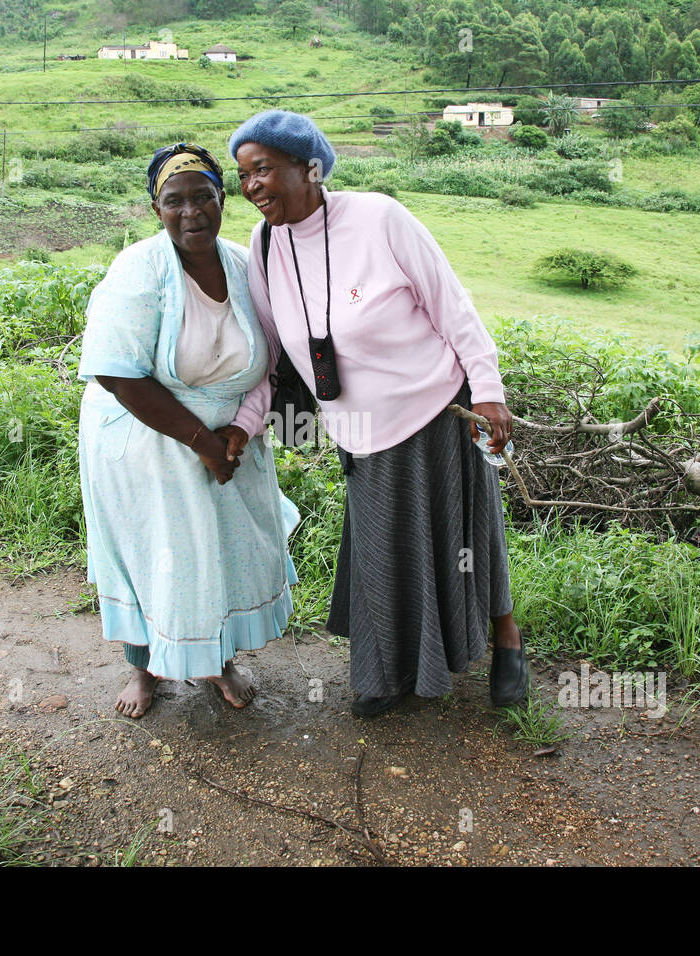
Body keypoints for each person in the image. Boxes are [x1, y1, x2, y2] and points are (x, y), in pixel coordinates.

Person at [218, 110, 527, 718]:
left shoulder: (380, 218)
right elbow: (273, 353)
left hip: (436, 410)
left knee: (468, 536)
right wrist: (246, 422)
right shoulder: (264, 244)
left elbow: (453, 306)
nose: (251, 186)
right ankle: (388, 671)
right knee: (383, 547)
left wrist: (487, 388)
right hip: (356, 429)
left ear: (309, 169)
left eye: (263, 170)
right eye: (243, 175)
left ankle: (507, 641)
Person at [76, 142, 299, 718]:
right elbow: (116, 374)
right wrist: (202, 443)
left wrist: (241, 433)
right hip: (147, 440)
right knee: (155, 553)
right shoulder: (138, 269)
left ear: (223, 200)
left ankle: (216, 662)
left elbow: (272, 360)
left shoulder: (246, 265)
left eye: (204, 197)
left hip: (228, 441)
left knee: (215, 555)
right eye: (175, 201)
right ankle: (144, 669)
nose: (191, 212)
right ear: (156, 209)